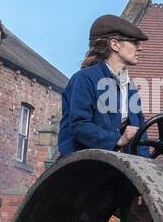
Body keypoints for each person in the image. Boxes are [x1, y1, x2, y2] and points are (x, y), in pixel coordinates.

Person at [57, 14, 149, 157]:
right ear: (115, 45)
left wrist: (145, 168)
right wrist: (118, 139)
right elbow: (80, 125)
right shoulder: (84, 79)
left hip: (117, 166)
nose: (140, 48)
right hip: (83, 166)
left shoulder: (129, 87)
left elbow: (140, 132)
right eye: (135, 42)